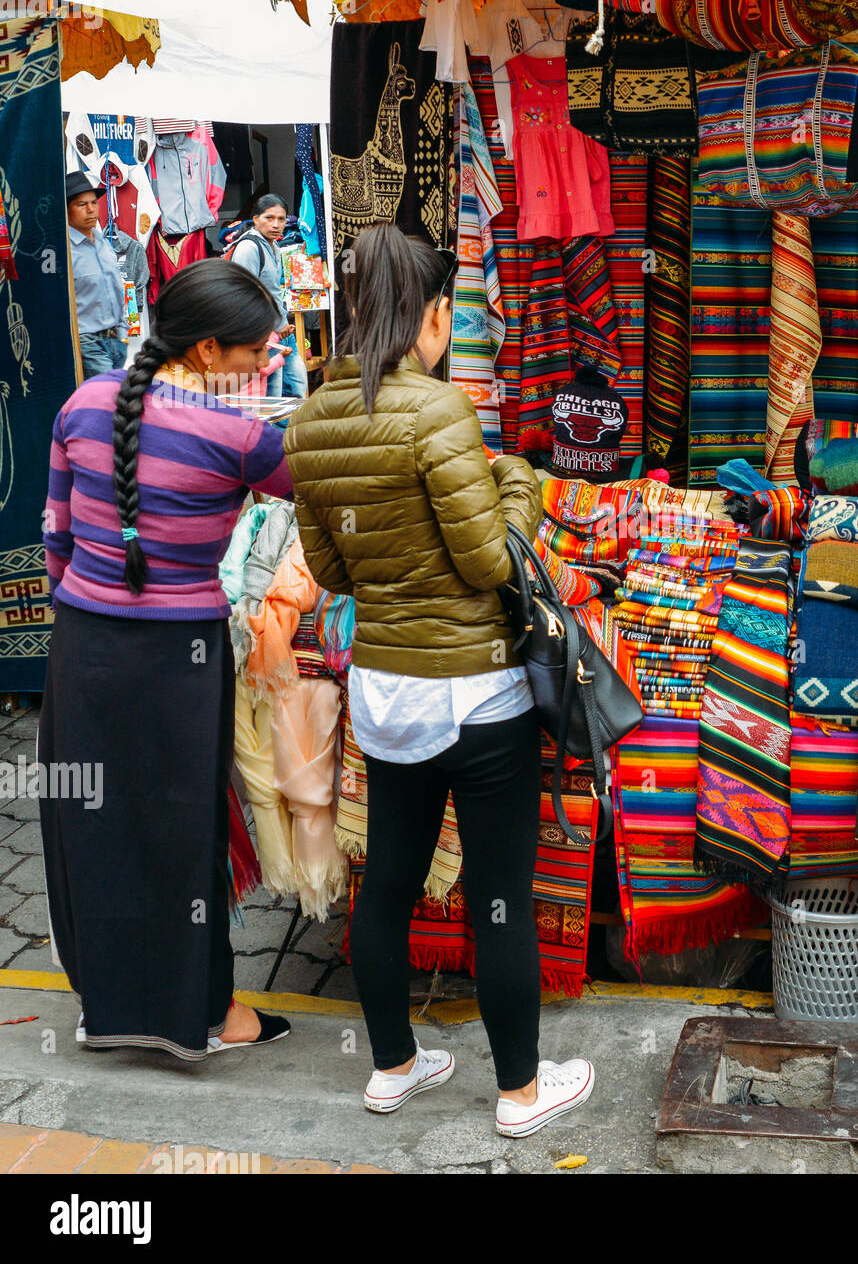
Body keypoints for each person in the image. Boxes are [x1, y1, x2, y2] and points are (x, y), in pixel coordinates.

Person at [284, 223, 594, 1136]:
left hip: (386, 694)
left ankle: (392, 1068)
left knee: (387, 881)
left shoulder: (311, 420)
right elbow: (491, 560)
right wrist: (519, 484)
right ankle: (521, 1093)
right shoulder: (439, 412)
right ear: (430, 316)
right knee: (500, 888)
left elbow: (333, 576)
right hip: (475, 696)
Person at [40, 260, 295, 1060]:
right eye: (258, 352)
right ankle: (209, 1015)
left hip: (81, 650)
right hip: (181, 661)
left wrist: (94, 602)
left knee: (93, 826)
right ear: (211, 349)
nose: (267, 362)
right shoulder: (244, 436)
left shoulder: (82, 404)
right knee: (182, 834)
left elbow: (56, 539)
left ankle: (104, 1008)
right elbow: (316, 489)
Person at [229, 193, 308, 400]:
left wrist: (283, 321)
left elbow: (271, 290)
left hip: (280, 330)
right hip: (263, 334)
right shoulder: (249, 248)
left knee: (296, 386)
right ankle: (275, 433)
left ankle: (289, 432)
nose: (276, 224)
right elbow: (245, 293)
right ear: (255, 219)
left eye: (281, 219)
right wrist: (274, 324)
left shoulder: (273, 246)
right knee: (273, 394)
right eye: (269, 218)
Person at [66, 171, 129, 377]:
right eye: (81, 205)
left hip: (115, 339)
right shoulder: (66, 251)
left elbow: (115, 288)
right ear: (67, 209)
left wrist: (123, 330)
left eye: (94, 203)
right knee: (108, 400)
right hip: (87, 342)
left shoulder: (102, 242)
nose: (91, 209)